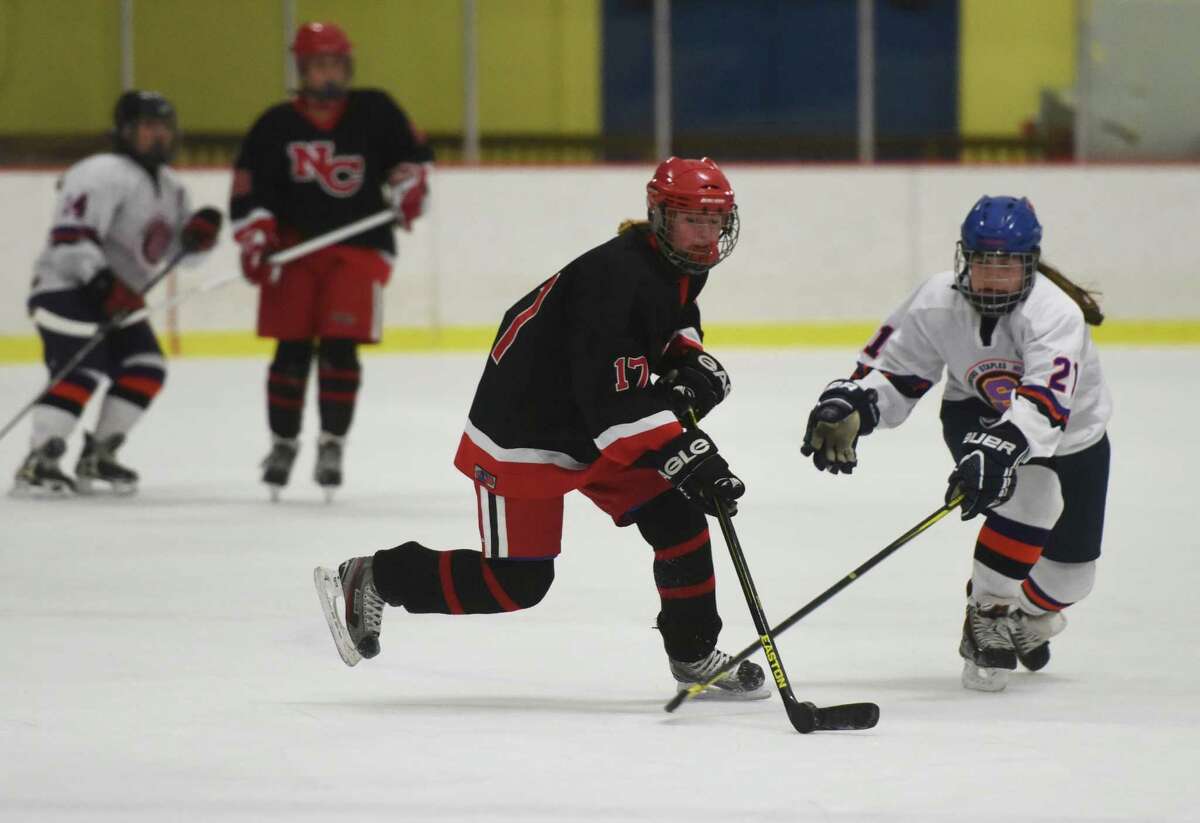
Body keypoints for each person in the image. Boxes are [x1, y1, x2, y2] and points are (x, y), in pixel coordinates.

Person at [315, 157, 768, 698]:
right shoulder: (616, 280)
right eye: (694, 219)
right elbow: (612, 410)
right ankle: (378, 575)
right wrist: (689, 452)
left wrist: (689, 367)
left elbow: (667, 327)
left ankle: (692, 652)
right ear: (660, 216)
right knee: (517, 584)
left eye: (715, 220)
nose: (706, 235)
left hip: (591, 420)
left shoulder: (678, 266)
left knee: (679, 520)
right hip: (525, 430)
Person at [800, 195, 1112, 692]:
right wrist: (855, 406)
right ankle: (987, 614)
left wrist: (1003, 446)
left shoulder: (1055, 312)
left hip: (1075, 435)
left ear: (1029, 264)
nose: (993, 276)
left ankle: (1026, 619)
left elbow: (1046, 405)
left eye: (1007, 264)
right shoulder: (935, 301)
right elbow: (895, 373)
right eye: (983, 261)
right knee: (1033, 497)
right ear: (964, 258)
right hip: (974, 413)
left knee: (1074, 577)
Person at [230, 21, 433, 501]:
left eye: (336, 64)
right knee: (292, 350)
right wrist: (257, 233)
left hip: (360, 246)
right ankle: (282, 443)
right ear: (303, 69)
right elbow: (249, 190)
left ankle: (331, 444)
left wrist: (409, 191)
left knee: (341, 349)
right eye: (319, 65)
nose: (329, 74)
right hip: (295, 249)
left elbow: (413, 163)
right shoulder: (274, 125)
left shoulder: (376, 110)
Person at [11, 90, 219, 496]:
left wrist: (196, 240)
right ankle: (40, 459)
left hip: (117, 301)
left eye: (164, 128)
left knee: (145, 367)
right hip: (66, 289)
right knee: (81, 366)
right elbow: (70, 240)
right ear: (125, 131)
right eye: (148, 127)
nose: (158, 136)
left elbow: (179, 257)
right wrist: (106, 285)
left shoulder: (172, 187)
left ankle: (99, 453)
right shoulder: (100, 172)